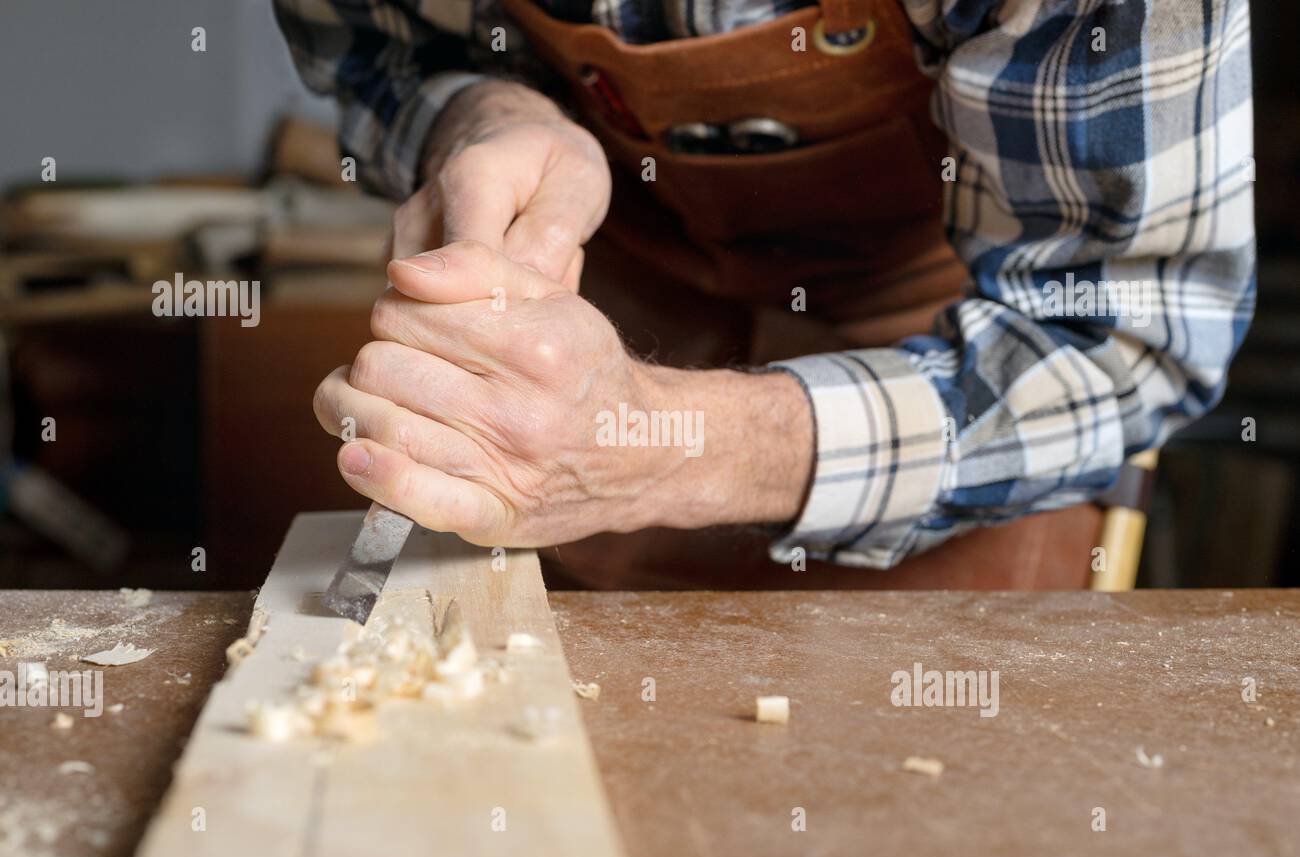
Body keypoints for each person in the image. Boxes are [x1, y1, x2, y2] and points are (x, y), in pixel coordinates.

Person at [275, 0, 1256, 589]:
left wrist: (656, 445)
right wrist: (482, 115)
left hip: (960, 404)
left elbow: (1124, 341)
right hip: (581, 353)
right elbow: (385, 51)